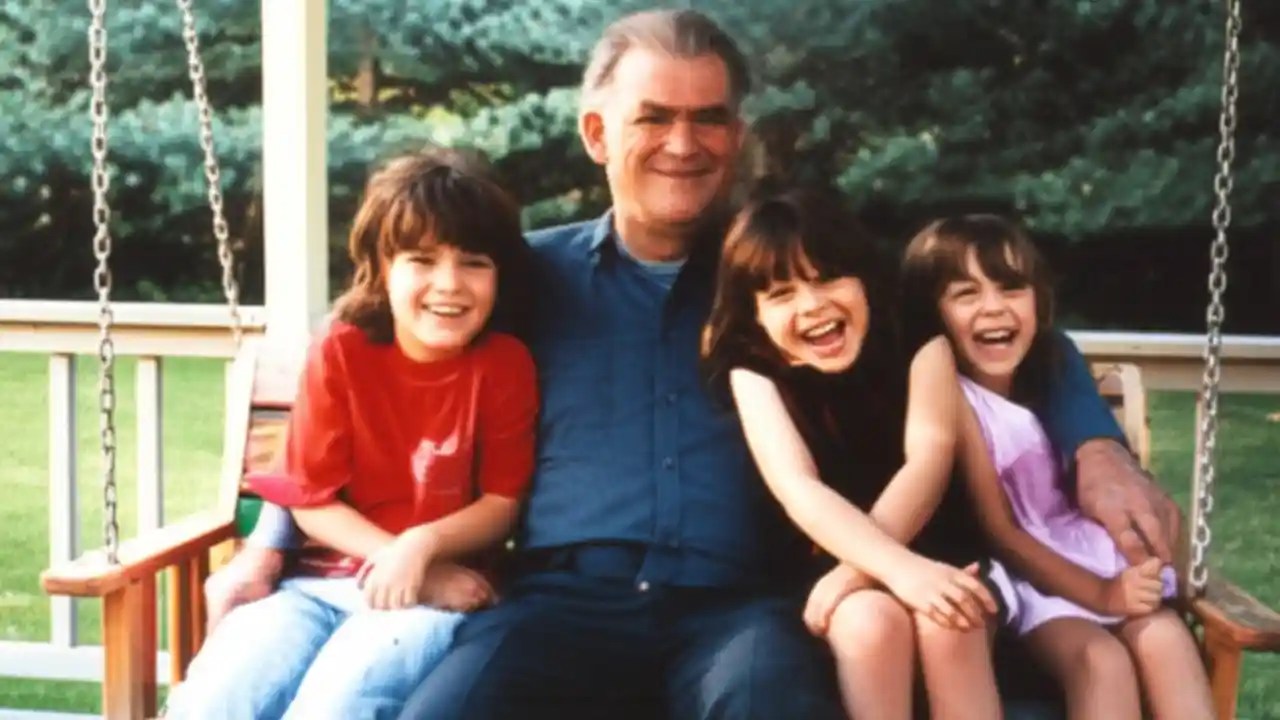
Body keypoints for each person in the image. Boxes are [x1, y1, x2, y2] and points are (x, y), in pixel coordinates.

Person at [208, 10, 1184, 719]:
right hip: (560, 602)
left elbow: (990, 327)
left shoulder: (791, 279)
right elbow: (363, 358)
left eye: (708, 117)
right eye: (653, 118)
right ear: (597, 134)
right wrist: (269, 541)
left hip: (738, 604)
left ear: (737, 136)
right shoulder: (522, 275)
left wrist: (1093, 442)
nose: (684, 143)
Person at [167, 148, 539, 720]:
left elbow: (501, 504)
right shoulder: (344, 349)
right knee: (218, 695)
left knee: (335, 704)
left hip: (429, 600)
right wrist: (399, 557)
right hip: (314, 586)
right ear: (382, 267)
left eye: (473, 263)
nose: (449, 284)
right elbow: (311, 499)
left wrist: (421, 549)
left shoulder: (504, 365)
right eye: (421, 260)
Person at [701, 186, 1005, 720]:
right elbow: (797, 486)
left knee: (949, 618)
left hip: (936, 546)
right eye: (782, 294)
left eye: (827, 278)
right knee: (870, 623)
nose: (812, 305)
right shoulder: (751, 366)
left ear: (863, 277)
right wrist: (877, 572)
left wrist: (882, 570)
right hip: (823, 561)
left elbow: (929, 458)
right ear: (755, 315)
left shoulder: (915, 334)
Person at [900, 215, 1214, 720]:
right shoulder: (956, 400)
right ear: (931, 311)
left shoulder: (1048, 375)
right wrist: (1103, 595)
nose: (994, 307)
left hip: (1092, 552)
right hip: (1035, 580)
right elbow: (1002, 531)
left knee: (1167, 639)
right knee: (1101, 661)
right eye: (966, 294)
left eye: (1011, 287)